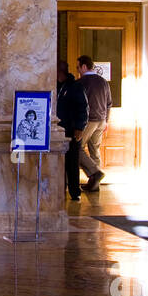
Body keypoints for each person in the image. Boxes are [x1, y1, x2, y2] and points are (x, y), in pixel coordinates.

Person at [77, 55, 112, 192]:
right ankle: (94, 184)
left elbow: (80, 103)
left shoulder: (82, 82)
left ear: (84, 66)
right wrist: (107, 120)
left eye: (78, 67)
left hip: (88, 121)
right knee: (94, 149)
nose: (78, 70)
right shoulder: (103, 81)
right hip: (101, 120)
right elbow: (109, 103)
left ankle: (95, 173)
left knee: (76, 147)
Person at [56, 60, 88, 201]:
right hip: (57, 130)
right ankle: (59, 189)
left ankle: (75, 192)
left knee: (72, 162)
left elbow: (83, 108)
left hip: (71, 130)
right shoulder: (56, 86)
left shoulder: (75, 87)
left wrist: (79, 127)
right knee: (58, 162)